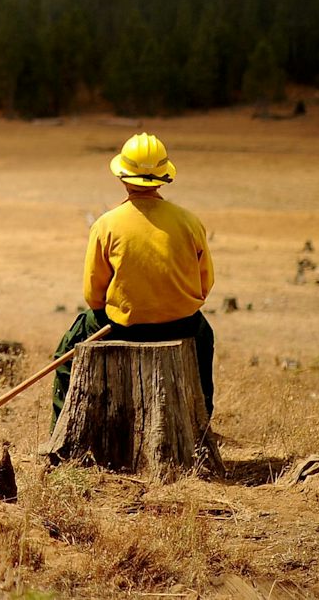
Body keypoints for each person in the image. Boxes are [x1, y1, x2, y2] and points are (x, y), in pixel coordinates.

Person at [51, 132, 215, 425]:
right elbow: (205, 286)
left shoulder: (106, 225)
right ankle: (201, 427)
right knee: (205, 337)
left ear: (123, 177)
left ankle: (61, 430)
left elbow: (94, 296)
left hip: (122, 327)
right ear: (165, 176)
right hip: (183, 324)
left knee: (68, 347)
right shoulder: (190, 222)